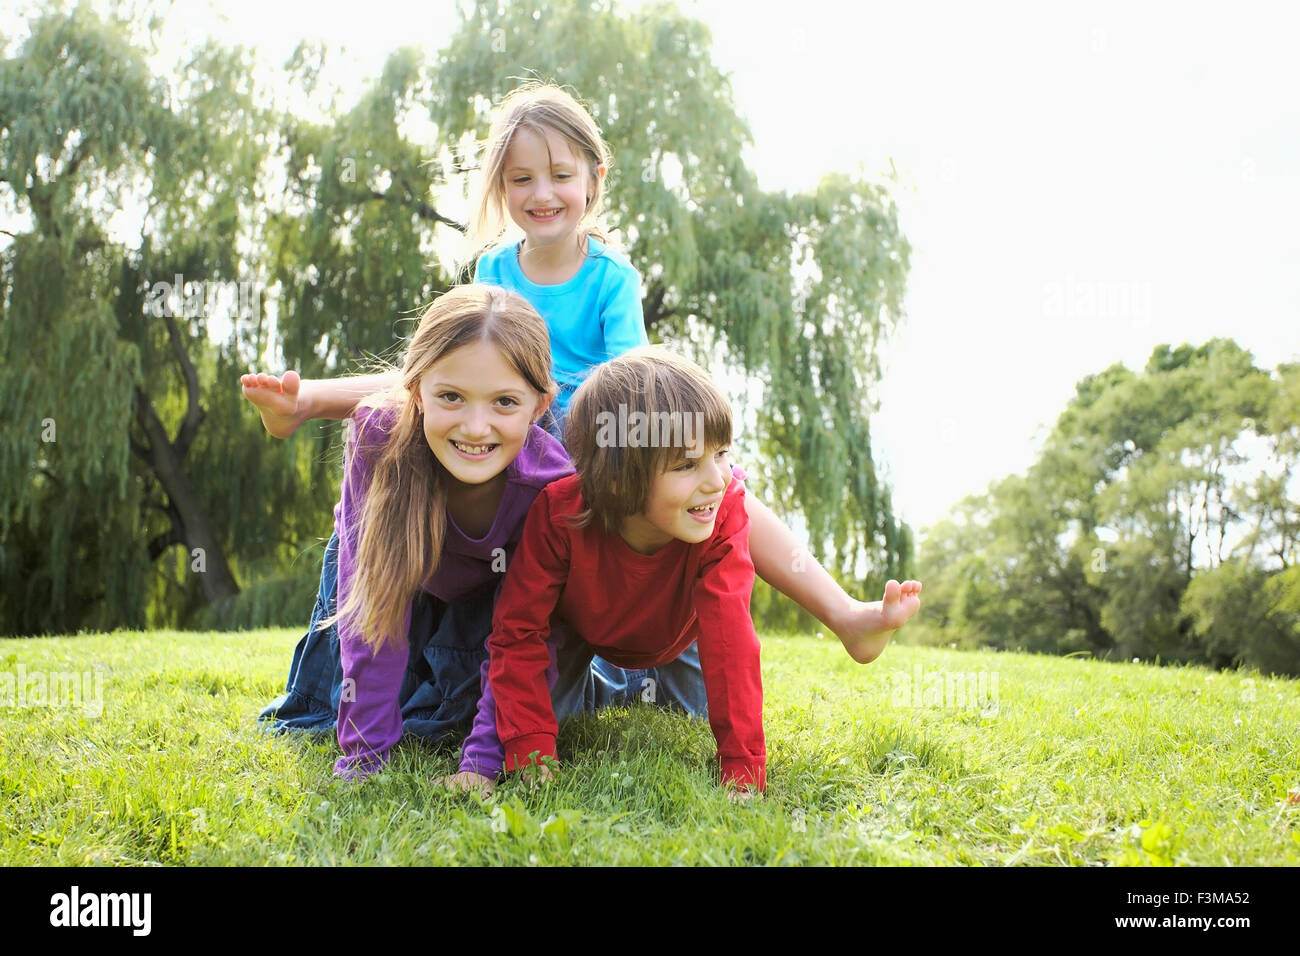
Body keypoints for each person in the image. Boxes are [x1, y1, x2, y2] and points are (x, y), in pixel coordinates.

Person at [242, 81, 919, 670]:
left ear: (594, 179)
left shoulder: (609, 276)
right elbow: (465, 362)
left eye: (560, 175)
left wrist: (658, 443)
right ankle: (305, 402)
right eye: (520, 180)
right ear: (500, 188)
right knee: (425, 383)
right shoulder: (493, 269)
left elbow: (639, 380)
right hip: (510, 412)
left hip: (594, 429)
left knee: (730, 490)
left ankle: (845, 615)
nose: (541, 194)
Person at [265, 283, 572, 783]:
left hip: (482, 606)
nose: (476, 428)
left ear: (539, 408)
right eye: (451, 397)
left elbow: (523, 634)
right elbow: (371, 609)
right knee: (322, 714)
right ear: (416, 391)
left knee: (438, 720)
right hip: (381, 579)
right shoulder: (378, 435)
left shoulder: (549, 488)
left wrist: (482, 761)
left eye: (504, 402)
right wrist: (365, 755)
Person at [488, 348, 764, 797]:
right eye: (687, 464)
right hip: (584, 633)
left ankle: (636, 680)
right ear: (617, 479)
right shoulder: (558, 513)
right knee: (559, 716)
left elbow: (731, 639)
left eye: (721, 454)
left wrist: (742, 766)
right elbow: (518, 631)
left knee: (690, 715)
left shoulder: (725, 508)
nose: (717, 480)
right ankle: (612, 681)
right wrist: (531, 750)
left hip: (680, 639)